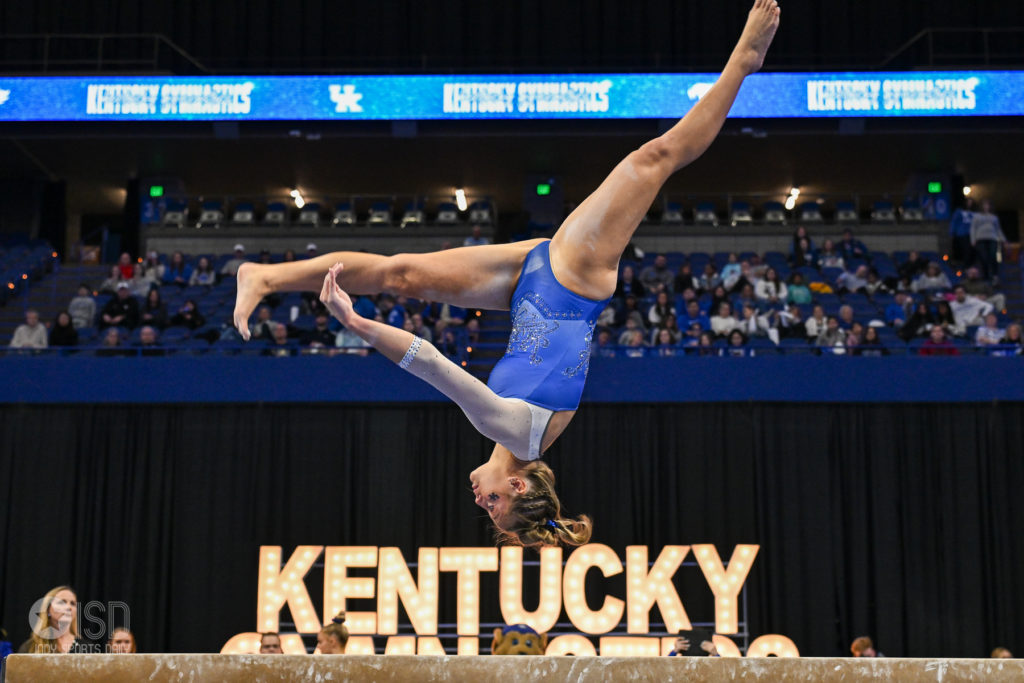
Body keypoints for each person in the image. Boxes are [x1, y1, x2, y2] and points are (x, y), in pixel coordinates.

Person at [233, 0, 781, 548]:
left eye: (487, 510)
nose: (480, 500)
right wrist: (355, 324)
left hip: (526, 289)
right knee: (654, 159)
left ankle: (265, 277)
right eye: (495, 503)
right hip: (573, 275)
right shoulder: (511, 431)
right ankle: (743, 63)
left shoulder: (518, 438)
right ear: (518, 484)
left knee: (399, 276)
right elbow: (431, 363)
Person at [19, 585, 85, 653]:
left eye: (73, 603)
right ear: (48, 609)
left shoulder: (87, 648)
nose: (69, 607)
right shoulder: (30, 647)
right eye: (61, 602)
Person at [970, 199, 1008, 283]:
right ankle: (986, 275)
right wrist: (973, 239)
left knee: (994, 256)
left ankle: (995, 275)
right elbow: (973, 228)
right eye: (984, 205)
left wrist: (1004, 240)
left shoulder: (994, 217)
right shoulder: (976, 216)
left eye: (987, 205)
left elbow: (998, 229)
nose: (986, 207)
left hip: (992, 238)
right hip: (980, 239)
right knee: (983, 257)